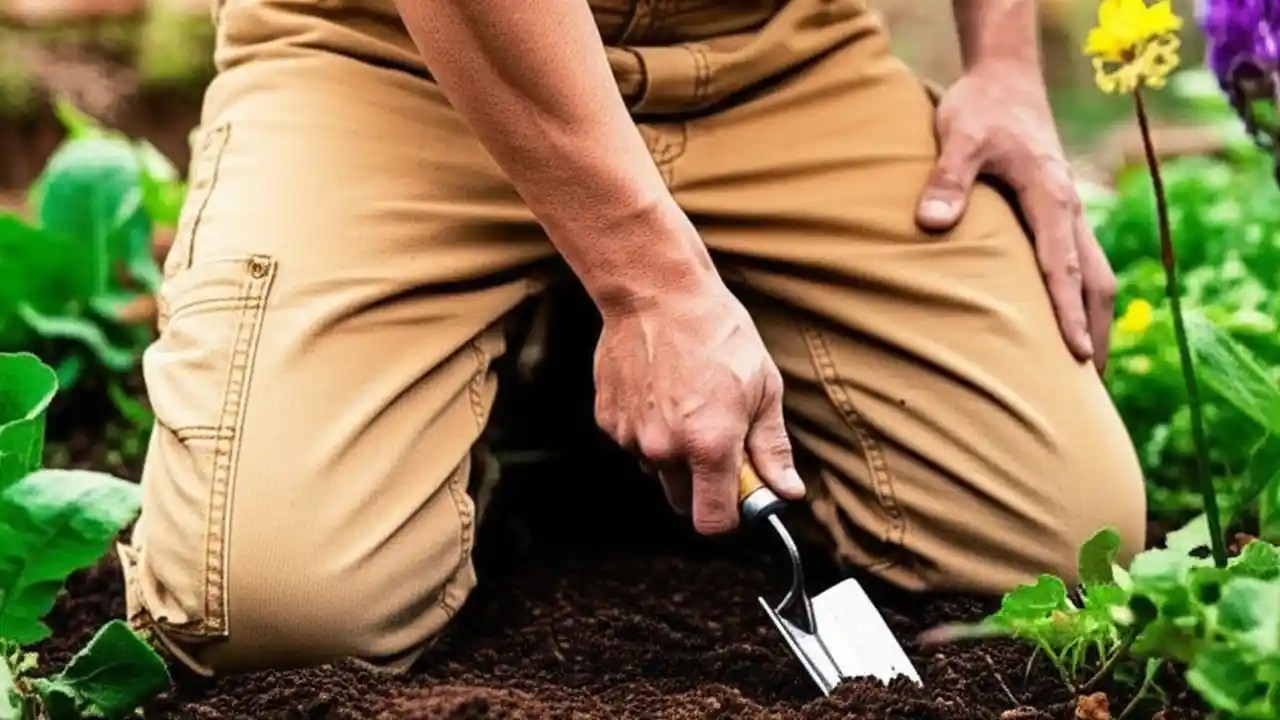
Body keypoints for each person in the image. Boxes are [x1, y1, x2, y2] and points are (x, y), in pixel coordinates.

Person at [118, 0, 1147, 677]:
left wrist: (1006, 66)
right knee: (271, 616)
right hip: (403, 58)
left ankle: (609, 353)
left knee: (1055, 545)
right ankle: (527, 373)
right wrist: (647, 285)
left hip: (772, 54)